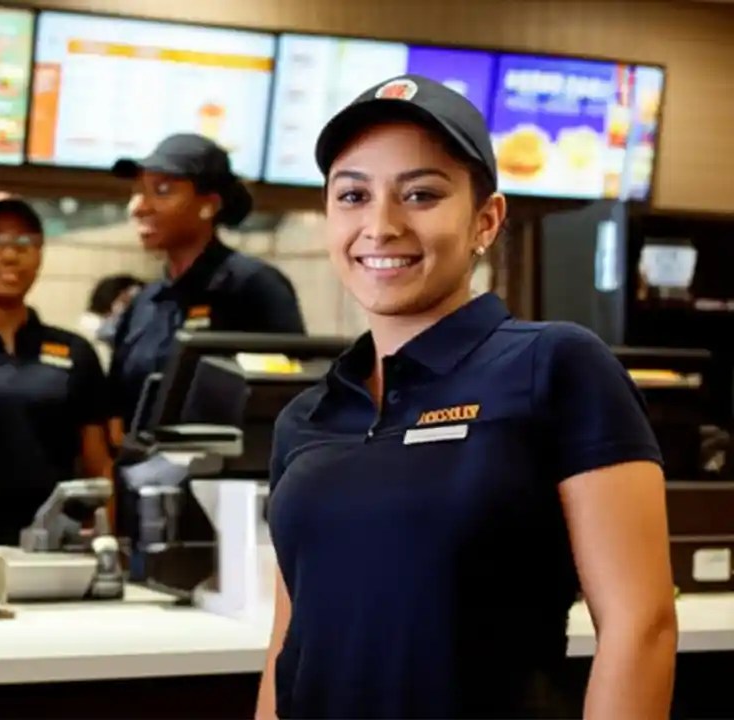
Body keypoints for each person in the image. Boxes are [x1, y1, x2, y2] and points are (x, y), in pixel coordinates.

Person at [258, 75, 676, 719]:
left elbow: (639, 627)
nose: (381, 225)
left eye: (421, 194)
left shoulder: (556, 365)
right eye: (353, 196)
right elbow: (289, 639)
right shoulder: (306, 417)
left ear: (487, 219)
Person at [107, 133, 306, 441]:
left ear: (209, 205)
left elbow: (292, 397)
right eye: (137, 191)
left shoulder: (252, 286)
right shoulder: (144, 303)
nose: (138, 207)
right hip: (143, 477)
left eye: (161, 191)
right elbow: (118, 406)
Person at [0, 194, 115, 545]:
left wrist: (110, 544)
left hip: (57, 544)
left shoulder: (76, 353)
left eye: (25, 242)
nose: (10, 254)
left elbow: (99, 467)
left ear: (40, 255)